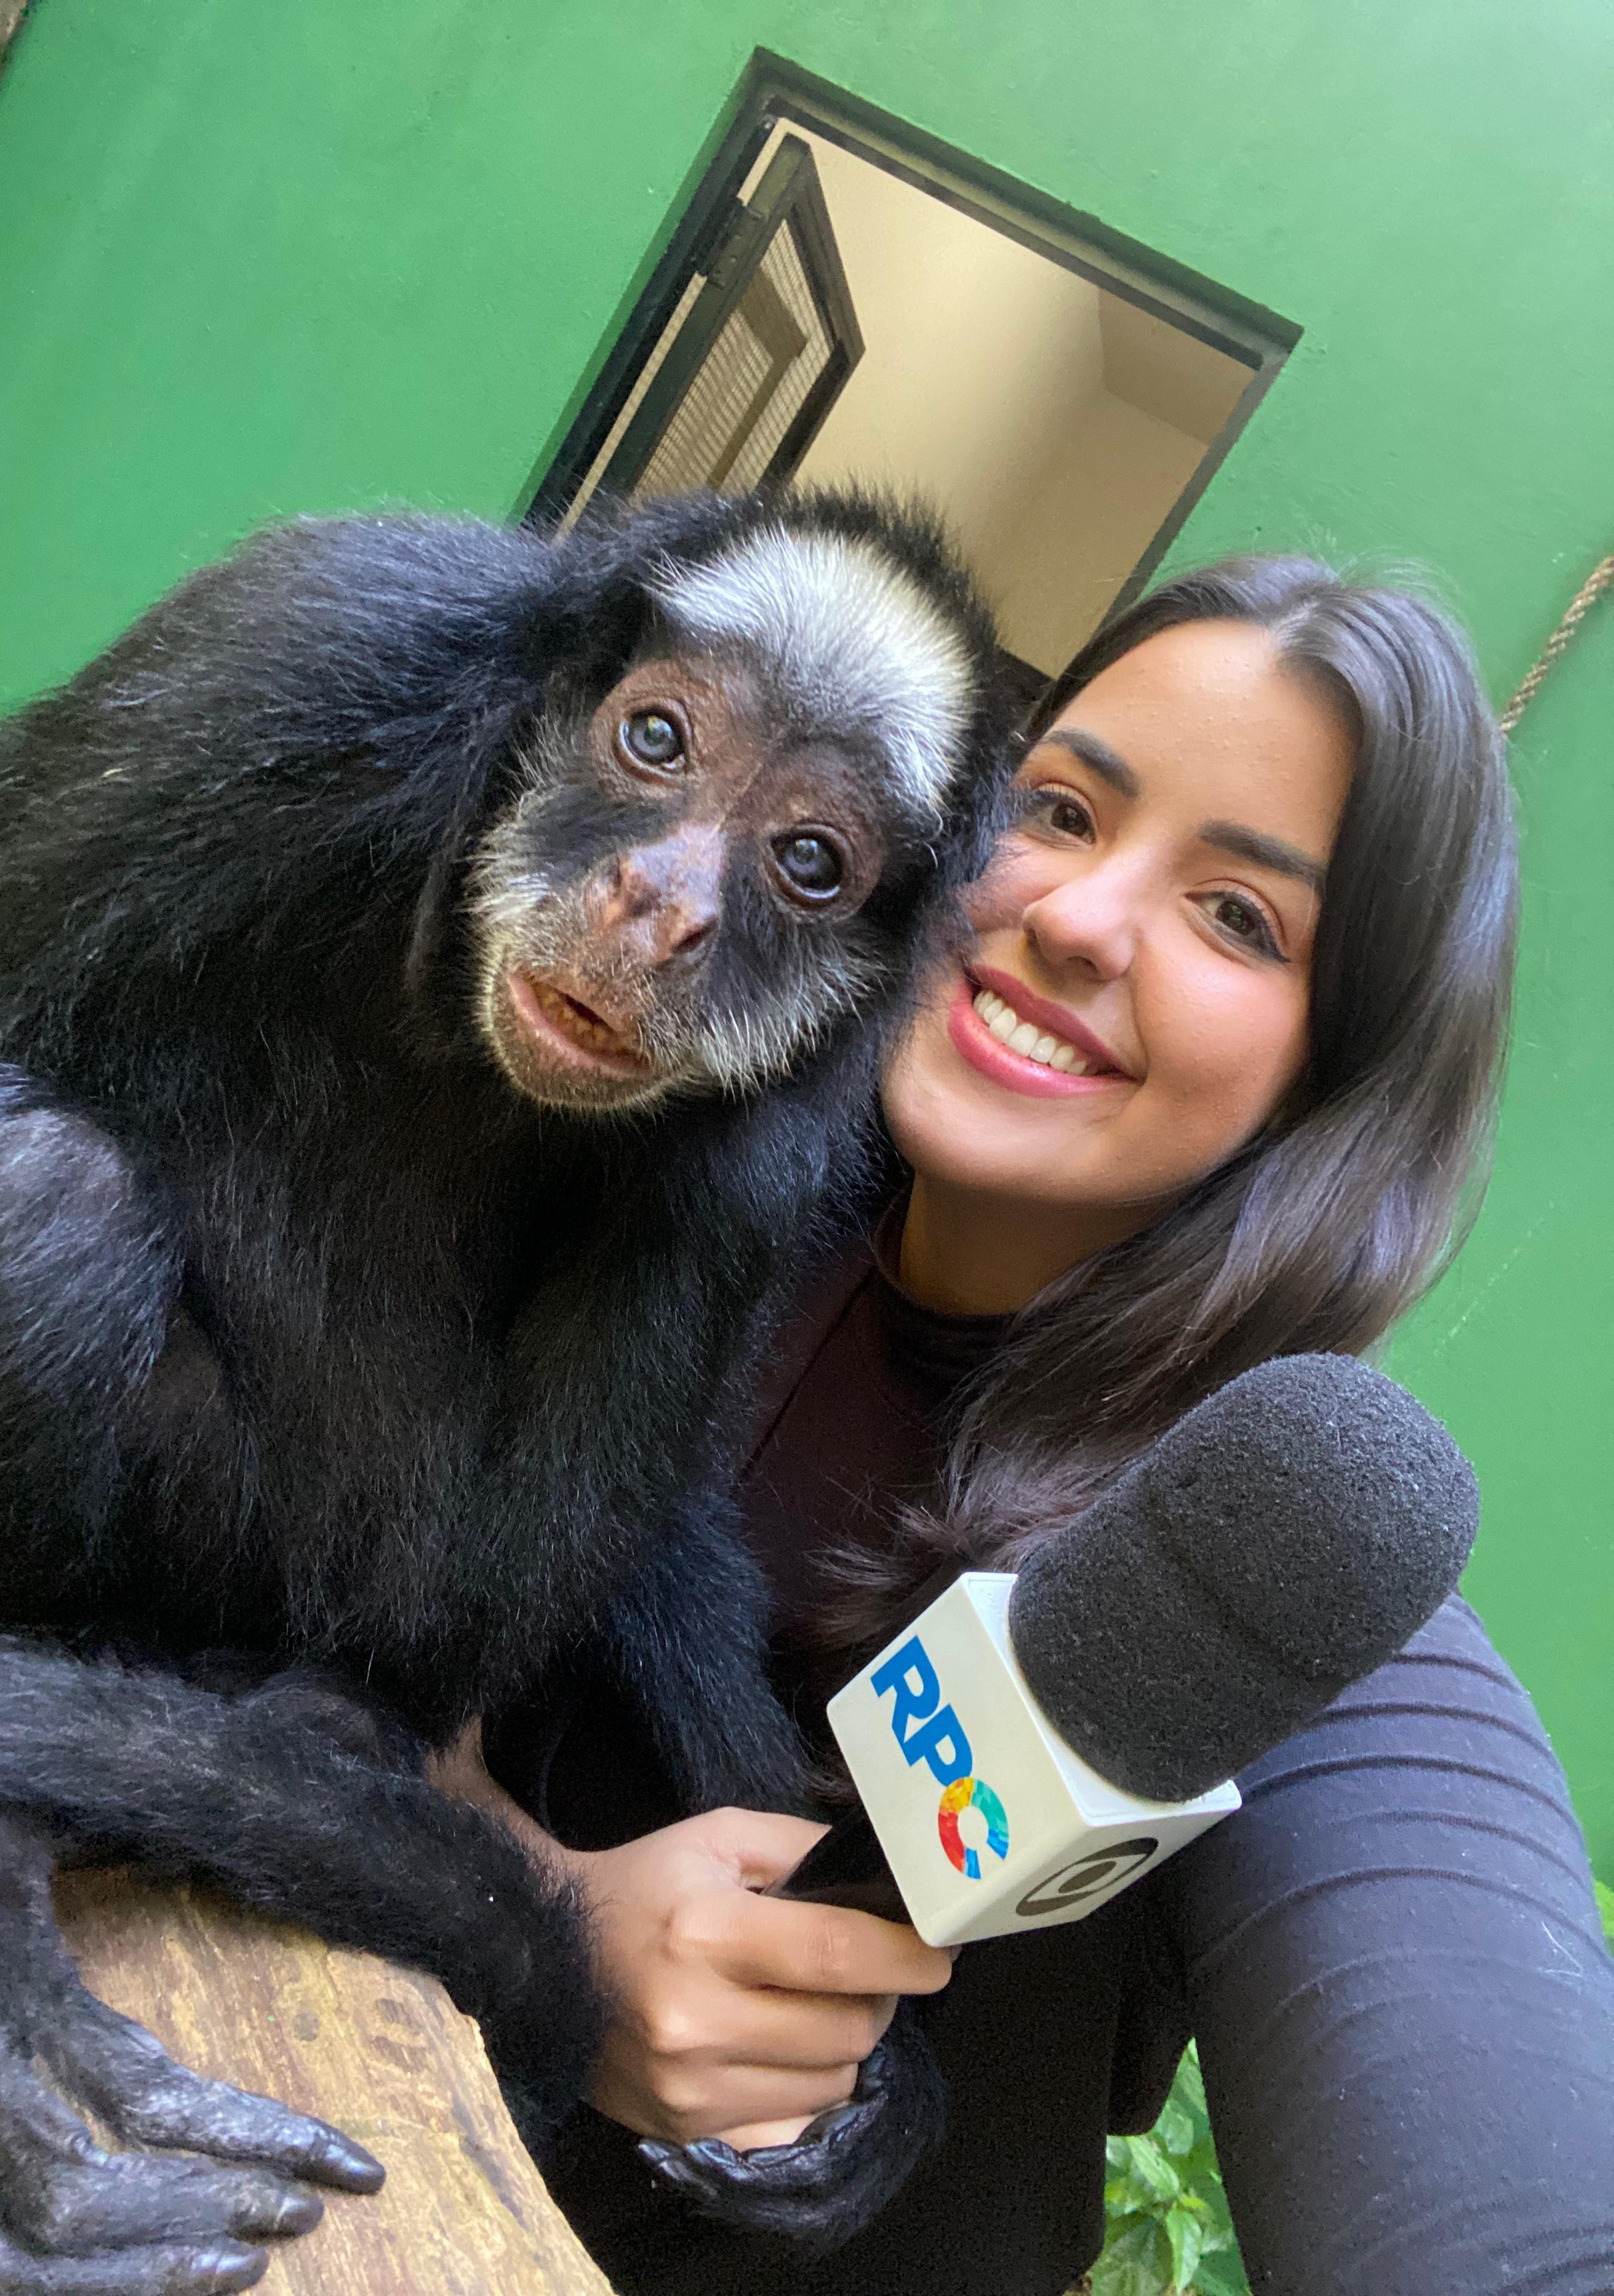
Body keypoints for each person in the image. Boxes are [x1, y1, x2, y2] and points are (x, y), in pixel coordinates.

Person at [461, 555, 1614, 2294]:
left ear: (1335, 1072)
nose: (1077, 917)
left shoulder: (1259, 1573)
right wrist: (533, 1909)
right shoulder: (637, 1161)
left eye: (1242, 917)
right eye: (1063, 809)